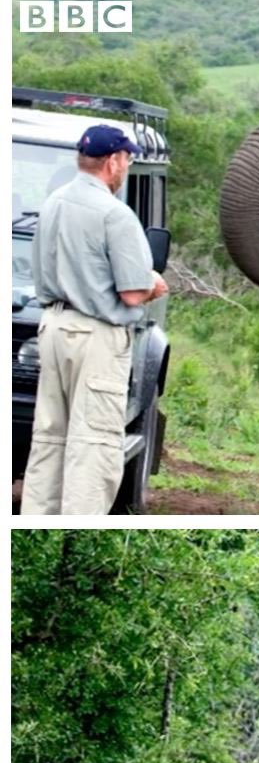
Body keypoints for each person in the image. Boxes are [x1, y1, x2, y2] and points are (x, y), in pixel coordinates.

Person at [22, 124, 169, 514]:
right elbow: (132, 292)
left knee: (50, 439)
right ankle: (80, 527)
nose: (126, 166)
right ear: (113, 161)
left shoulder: (52, 201)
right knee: (94, 444)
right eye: (127, 159)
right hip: (96, 335)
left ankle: (39, 520)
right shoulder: (114, 214)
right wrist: (153, 284)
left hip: (51, 327)